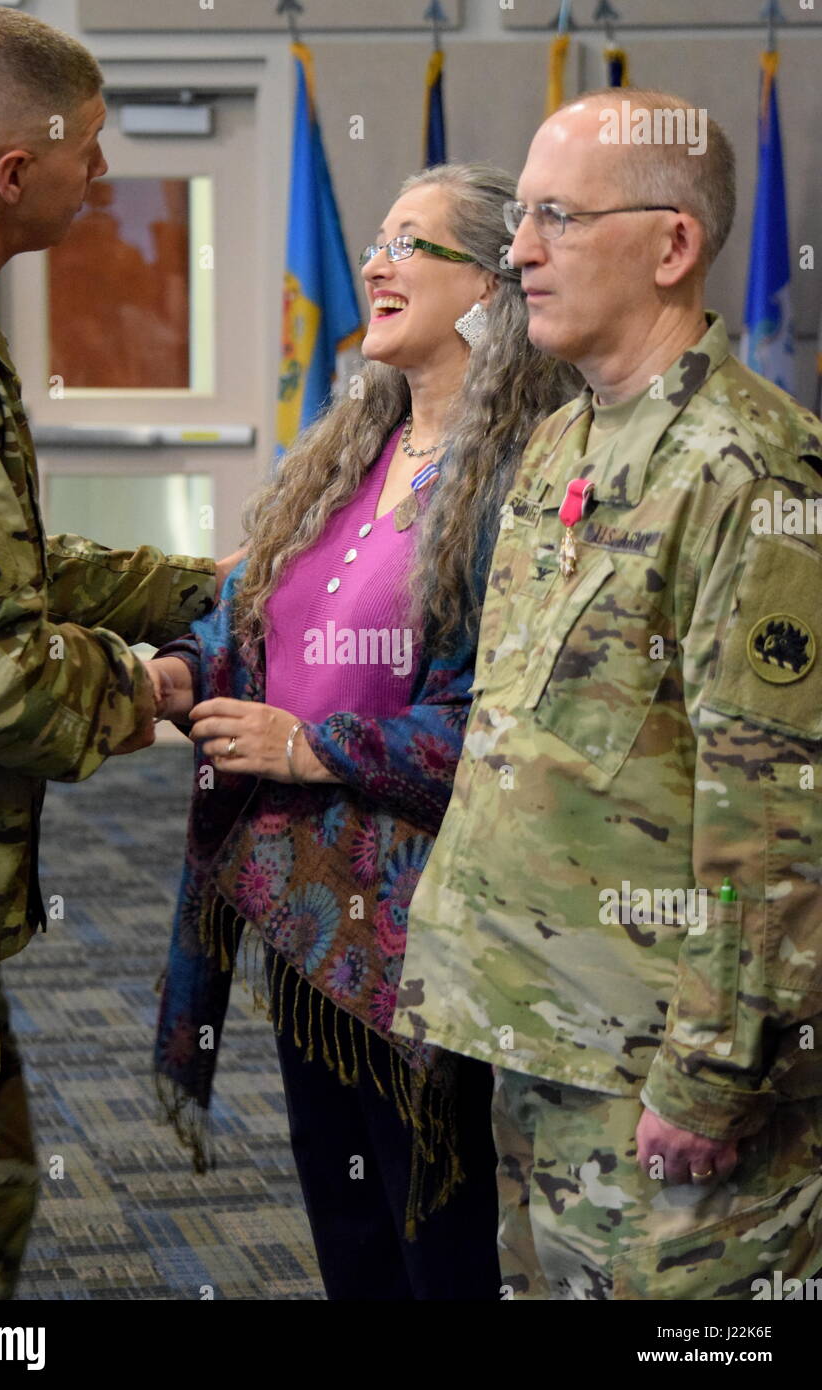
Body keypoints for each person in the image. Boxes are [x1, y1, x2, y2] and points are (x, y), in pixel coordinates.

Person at [391, 87, 822, 1300]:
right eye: (519, 218)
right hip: (546, 1036)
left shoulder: (751, 474)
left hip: (663, 1075)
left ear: (671, 245)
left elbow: (779, 819)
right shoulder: (563, 441)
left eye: (555, 220)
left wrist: (709, 1071)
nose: (516, 251)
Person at [147, 163, 575, 1300]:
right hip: (301, 905)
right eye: (377, 240)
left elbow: (510, 714)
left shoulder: (531, 473)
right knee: (349, 1233)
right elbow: (250, 613)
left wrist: (312, 746)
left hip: (431, 930)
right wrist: (183, 666)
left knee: (441, 1235)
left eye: (409, 244)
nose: (376, 264)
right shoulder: (349, 445)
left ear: (489, 286)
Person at [0, 7, 222, 1299]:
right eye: (92, 149)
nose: (109, 177)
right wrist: (145, 689)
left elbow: (2, 561)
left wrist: (216, 583)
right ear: (15, 173)